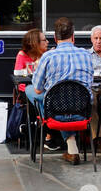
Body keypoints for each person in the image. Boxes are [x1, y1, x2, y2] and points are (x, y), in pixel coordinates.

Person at [28, 16, 96, 164]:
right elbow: (90, 83)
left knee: (30, 90)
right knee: (62, 100)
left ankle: (44, 124)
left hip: (56, 114)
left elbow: (38, 90)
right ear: (73, 36)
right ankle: (72, 146)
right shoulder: (86, 55)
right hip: (82, 112)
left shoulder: (48, 56)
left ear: (54, 37)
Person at [13, 27, 47, 94]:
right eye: (45, 40)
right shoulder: (22, 55)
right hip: (27, 88)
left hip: (42, 87)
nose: (48, 42)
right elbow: (17, 74)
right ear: (35, 43)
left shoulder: (45, 55)